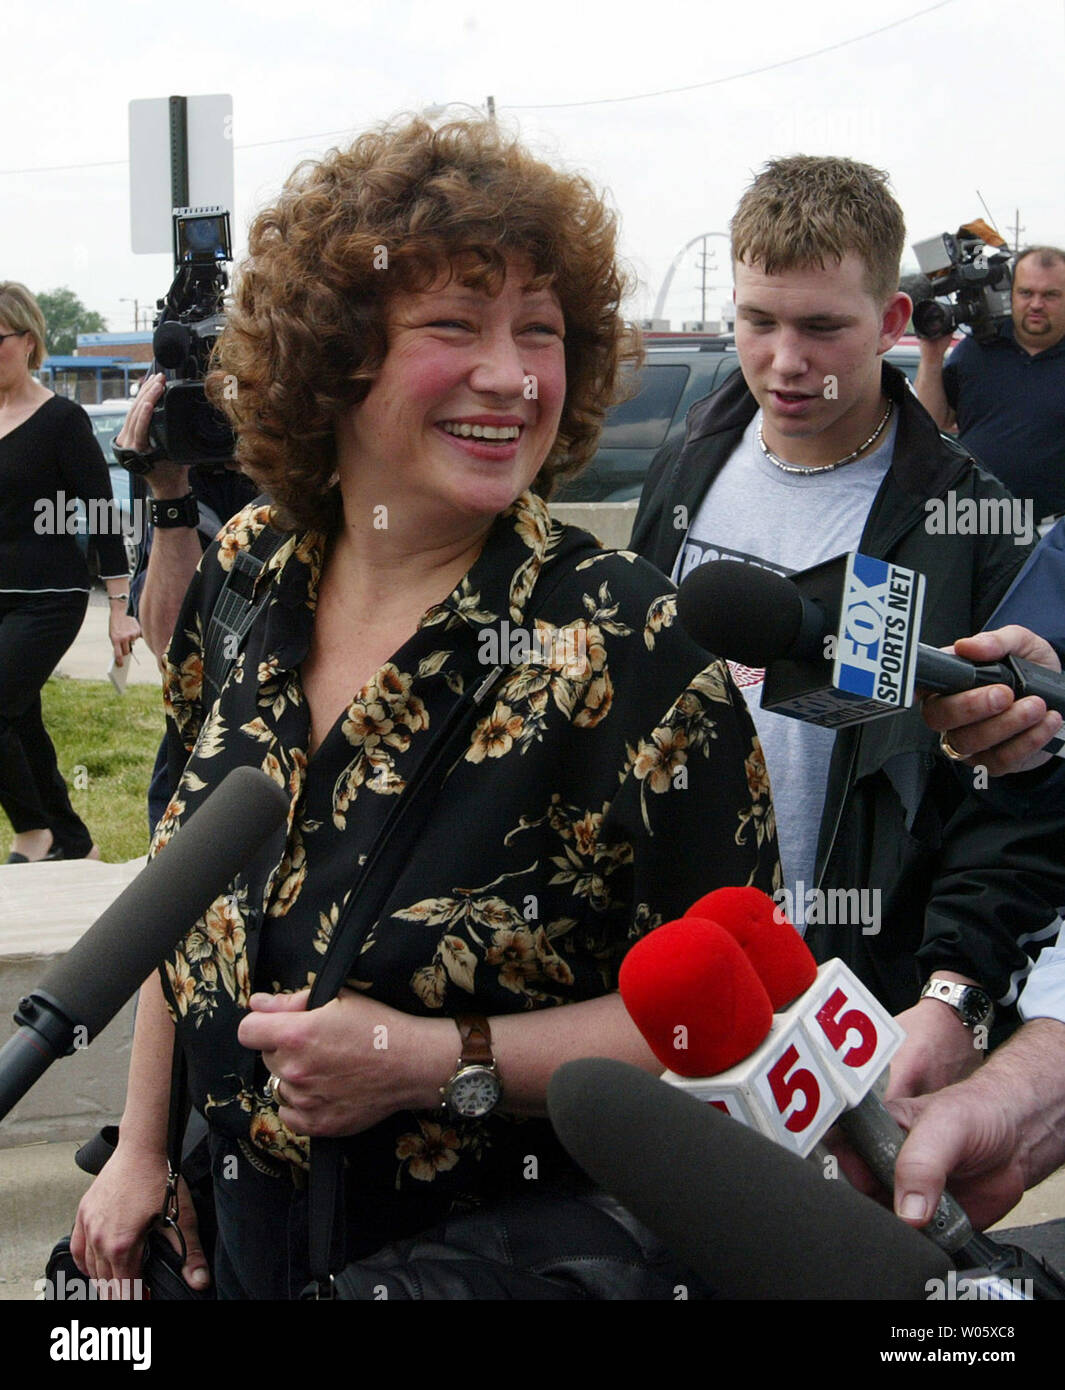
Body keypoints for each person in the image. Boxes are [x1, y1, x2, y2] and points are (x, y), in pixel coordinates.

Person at [72, 117, 779, 1299]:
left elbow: (738, 1018)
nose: (511, 376)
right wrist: (143, 1151)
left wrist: (433, 1062)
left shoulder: (629, 643)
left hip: (497, 1263)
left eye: (541, 333)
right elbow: (177, 886)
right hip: (244, 1246)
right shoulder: (251, 567)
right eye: (453, 326)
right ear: (335, 356)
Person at [630, 156, 1065, 1101]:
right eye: (758, 322)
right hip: (681, 974)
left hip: (860, 999)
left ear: (893, 325)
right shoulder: (682, 474)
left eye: (822, 327)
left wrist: (954, 995)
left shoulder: (964, 526)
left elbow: (1016, 806)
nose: (785, 360)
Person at [0, 281, 139, 864]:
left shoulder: (62, 419)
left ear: (27, 340)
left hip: (48, 598)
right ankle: (72, 840)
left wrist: (119, 607)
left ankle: (34, 833)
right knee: (20, 718)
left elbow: (103, 512)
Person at [915, 246, 1065, 525]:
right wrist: (932, 357)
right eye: (1026, 292)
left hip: (1051, 533)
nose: (1035, 304)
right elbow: (933, 422)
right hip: (973, 526)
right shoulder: (976, 349)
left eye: (1050, 295)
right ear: (1012, 292)